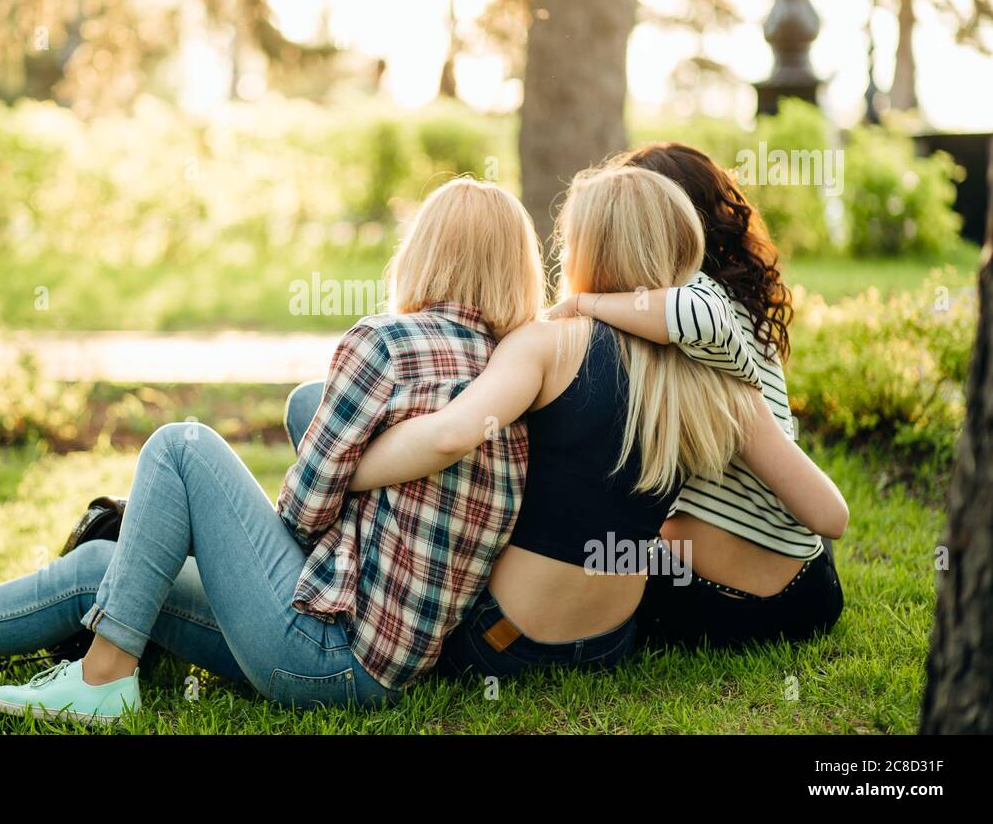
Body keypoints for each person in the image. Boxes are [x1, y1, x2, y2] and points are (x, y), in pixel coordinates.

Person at [0, 177, 545, 722]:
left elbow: (303, 517)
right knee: (112, 568)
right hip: (382, 669)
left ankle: (104, 677)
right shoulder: (506, 379)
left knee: (182, 448)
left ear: (423, 253)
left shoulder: (388, 345)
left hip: (322, 655)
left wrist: (236, 519)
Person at [344, 163, 848, 679]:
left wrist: (346, 471)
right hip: (612, 642)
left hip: (506, 640)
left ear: (584, 251)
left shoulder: (546, 343)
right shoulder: (715, 377)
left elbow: (452, 434)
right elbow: (831, 518)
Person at [553, 143, 845, 648]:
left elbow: (828, 515)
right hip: (798, 581)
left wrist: (581, 301)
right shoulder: (703, 321)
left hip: (737, 598)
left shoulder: (708, 313)